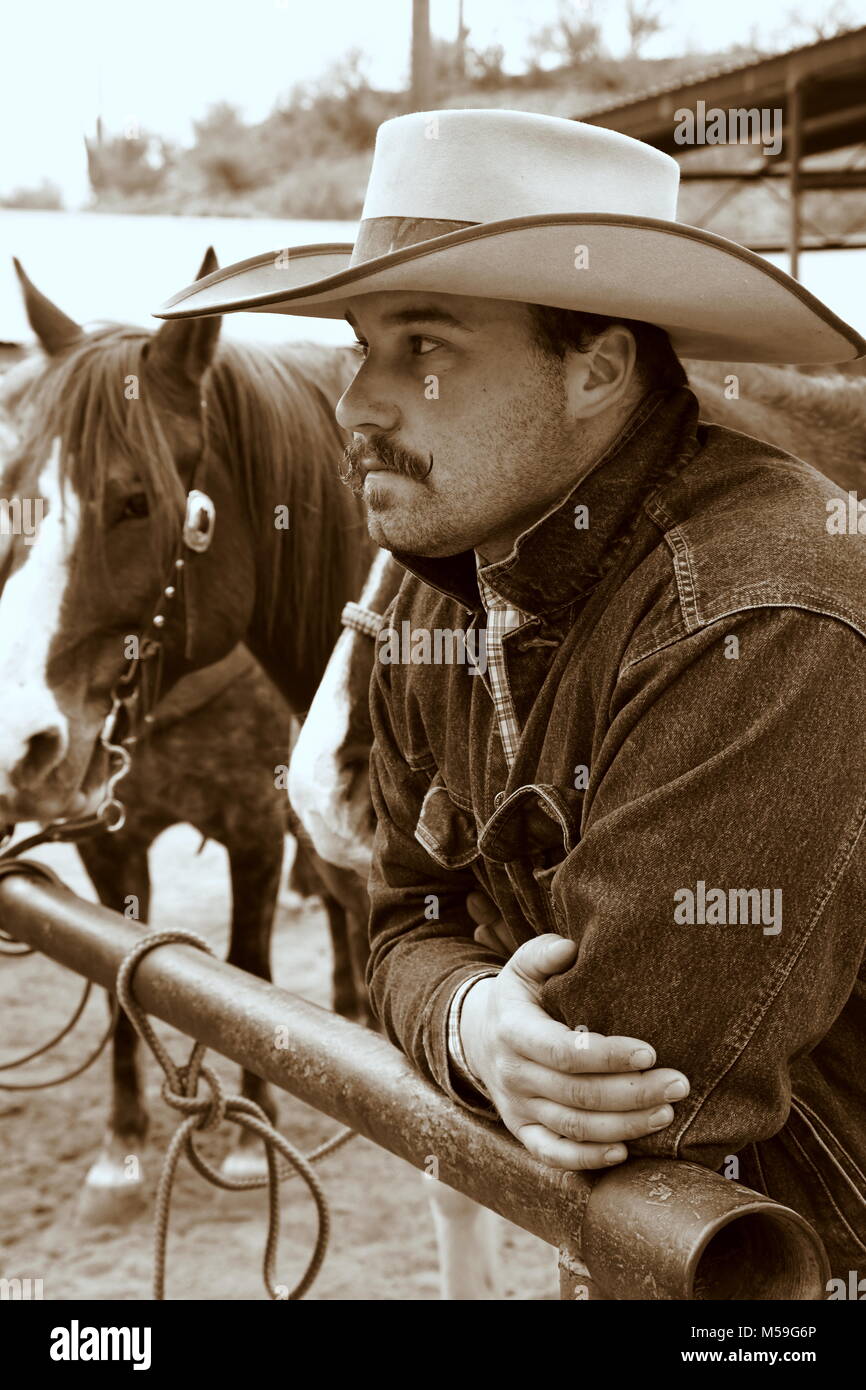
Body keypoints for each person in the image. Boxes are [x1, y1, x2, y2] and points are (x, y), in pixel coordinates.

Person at [158, 108, 866, 1279]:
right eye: (361, 346)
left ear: (596, 369)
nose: (357, 404)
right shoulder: (441, 591)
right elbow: (401, 914)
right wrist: (472, 1020)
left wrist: (479, 1011)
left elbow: (625, 1078)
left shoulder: (762, 613)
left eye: (422, 346)